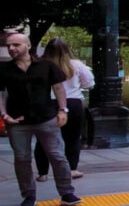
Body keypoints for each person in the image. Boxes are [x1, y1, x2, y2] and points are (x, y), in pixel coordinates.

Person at [2, 29, 79, 206]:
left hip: (47, 119)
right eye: (8, 46)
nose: (11, 48)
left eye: (16, 45)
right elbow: (1, 94)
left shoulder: (46, 66)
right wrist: (4, 114)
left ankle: (67, 193)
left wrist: (62, 110)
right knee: (22, 159)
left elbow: (59, 88)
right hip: (17, 122)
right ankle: (29, 196)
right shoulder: (4, 69)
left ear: (28, 46)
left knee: (58, 156)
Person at [33, 38, 89, 184]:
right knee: (73, 137)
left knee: (43, 139)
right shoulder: (75, 65)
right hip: (74, 102)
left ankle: (42, 173)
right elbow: (89, 82)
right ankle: (72, 169)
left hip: (48, 102)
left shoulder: (40, 65)